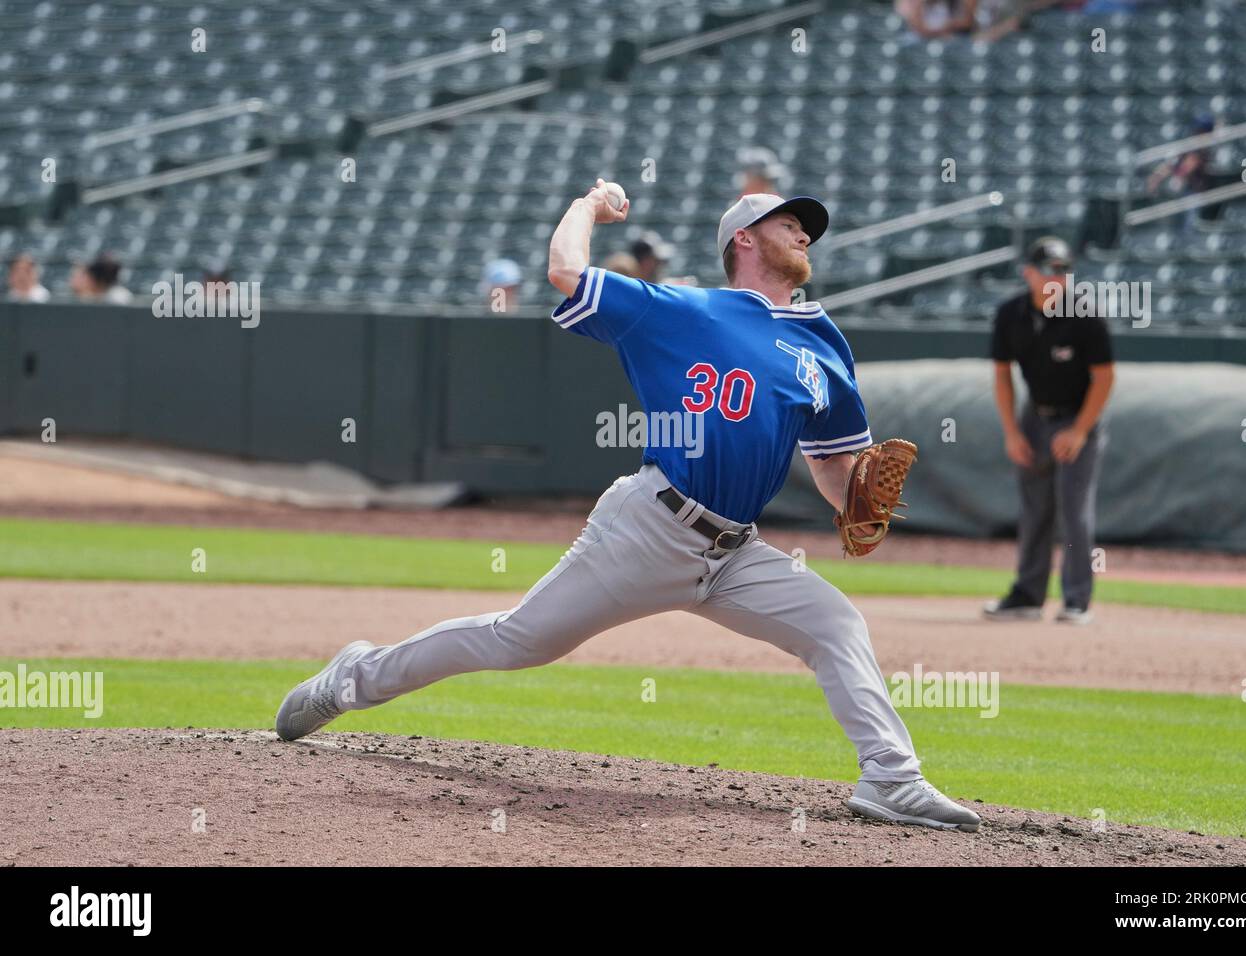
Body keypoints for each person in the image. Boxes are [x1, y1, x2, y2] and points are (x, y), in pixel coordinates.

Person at [274, 180, 981, 834]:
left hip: (735, 552)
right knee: (520, 641)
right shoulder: (682, 309)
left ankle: (891, 778)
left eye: (806, 229)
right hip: (650, 527)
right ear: (743, 239)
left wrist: (858, 501)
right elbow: (565, 275)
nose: (804, 236)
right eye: (789, 224)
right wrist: (587, 204)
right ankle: (353, 676)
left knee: (835, 625)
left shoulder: (823, 342)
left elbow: (833, 467)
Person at [984, 237, 1115, 625]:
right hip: (1034, 417)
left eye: (1063, 271)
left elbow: (1104, 379)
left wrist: (1078, 431)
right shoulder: (1012, 313)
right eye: (1048, 270)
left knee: (1074, 511)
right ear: (1028, 273)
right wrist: (1012, 432)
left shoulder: (1086, 315)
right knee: (1035, 509)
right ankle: (1027, 594)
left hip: (1077, 419)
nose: (1056, 278)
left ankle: (1076, 599)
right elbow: (1002, 374)